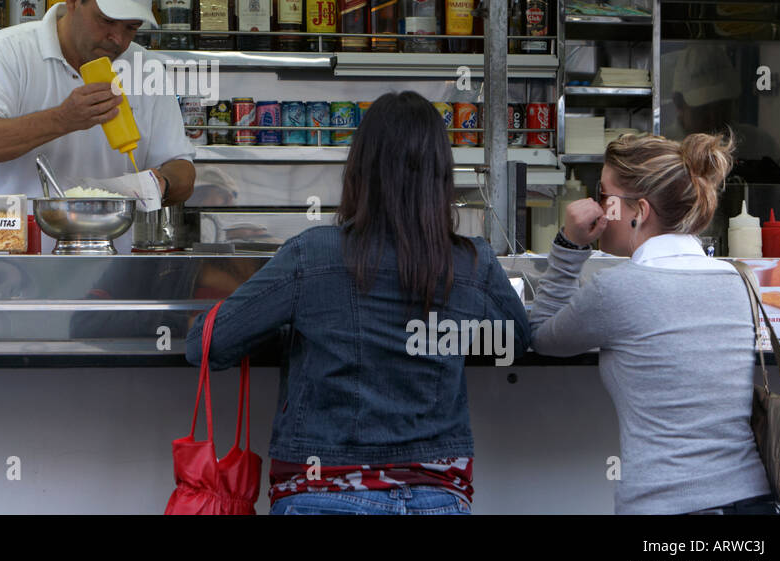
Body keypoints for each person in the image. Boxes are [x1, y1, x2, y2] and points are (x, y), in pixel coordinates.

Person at [185, 91, 530, 515]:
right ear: (442, 176)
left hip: (321, 492)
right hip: (437, 496)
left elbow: (208, 344)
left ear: (360, 171)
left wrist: (287, 322)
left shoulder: (312, 254)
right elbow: (515, 341)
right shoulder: (472, 262)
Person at [530, 132, 776, 515]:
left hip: (668, 507)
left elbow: (541, 335)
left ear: (639, 211)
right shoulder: (737, 281)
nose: (597, 206)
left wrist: (569, 245)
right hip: (751, 501)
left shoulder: (618, 288)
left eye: (604, 196)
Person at [0, 0, 195, 211]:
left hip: (106, 246)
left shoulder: (145, 68)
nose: (118, 39)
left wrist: (163, 184)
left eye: (131, 28)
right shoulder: (9, 50)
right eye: (106, 21)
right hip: (7, 246)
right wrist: (63, 119)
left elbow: (181, 167)